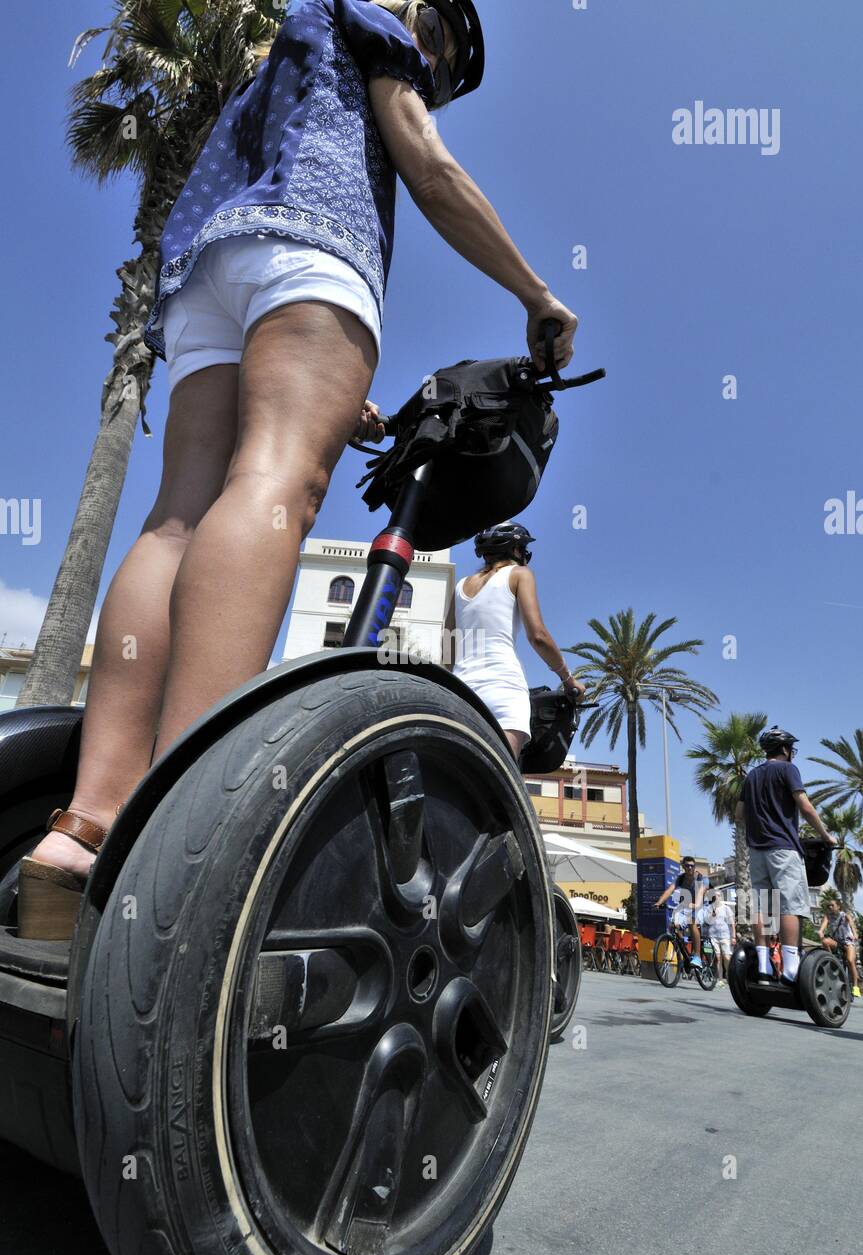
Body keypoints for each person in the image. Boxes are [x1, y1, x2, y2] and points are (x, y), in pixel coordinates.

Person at [18, 1, 581, 939]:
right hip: (316, 247)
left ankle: (82, 830)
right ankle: (180, 832)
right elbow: (431, 171)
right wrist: (538, 294)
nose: (431, 63)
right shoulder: (373, 24)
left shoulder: (282, 49)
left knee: (177, 516)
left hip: (210, 268)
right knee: (276, 482)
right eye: (436, 43)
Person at [446, 524, 585, 761]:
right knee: (499, 780)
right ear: (515, 549)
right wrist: (568, 678)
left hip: (461, 692)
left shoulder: (460, 586)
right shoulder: (520, 574)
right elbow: (538, 636)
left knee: (460, 777)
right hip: (503, 690)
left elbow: (446, 645)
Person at [735, 725, 836, 984]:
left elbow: (738, 815)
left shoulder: (752, 776)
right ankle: (791, 968)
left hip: (756, 851)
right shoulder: (788, 769)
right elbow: (804, 805)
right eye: (791, 748)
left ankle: (764, 967)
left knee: (763, 905)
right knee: (790, 905)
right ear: (784, 749)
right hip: (783, 849)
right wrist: (826, 836)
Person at [654, 856, 707, 969]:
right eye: (687, 865)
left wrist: (693, 905)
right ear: (683, 866)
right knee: (674, 925)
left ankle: (697, 956)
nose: (689, 868)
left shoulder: (699, 878)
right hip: (686, 905)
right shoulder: (680, 878)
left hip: (700, 905)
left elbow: (698, 902)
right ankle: (684, 949)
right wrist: (659, 902)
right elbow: (669, 890)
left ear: (694, 867)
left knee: (692, 922)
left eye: (692, 866)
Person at [819, 901, 861, 998]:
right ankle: (832, 960)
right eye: (829, 905)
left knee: (850, 961)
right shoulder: (828, 916)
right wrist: (820, 932)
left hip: (848, 941)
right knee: (825, 942)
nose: (830, 907)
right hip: (837, 942)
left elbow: (851, 924)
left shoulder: (845, 915)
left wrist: (855, 934)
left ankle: (855, 987)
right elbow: (822, 928)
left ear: (838, 906)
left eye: (832, 905)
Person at [701, 886, 736, 985]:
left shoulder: (726, 908)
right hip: (713, 935)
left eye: (719, 896)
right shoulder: (709, 908)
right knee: (717, 957)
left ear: (721, 897)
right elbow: (707, 921)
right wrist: (711, 916)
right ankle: (720, 979)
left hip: (725, 935)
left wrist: (733, 936)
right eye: (715, 895)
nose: (717, 897)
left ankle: (729, 977)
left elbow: (732, 923)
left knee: (727, 957)